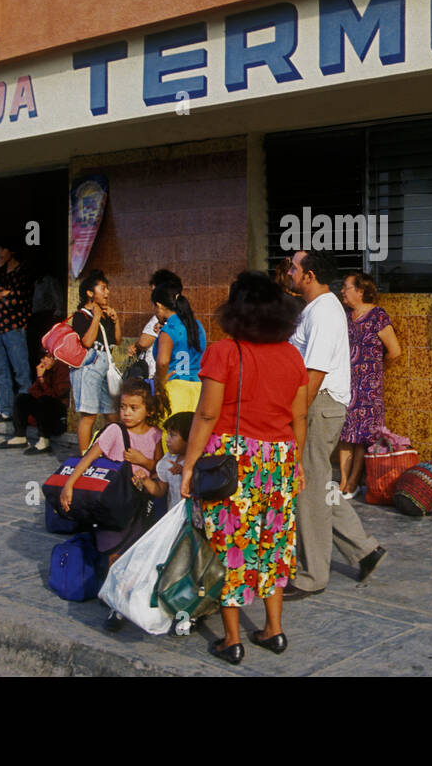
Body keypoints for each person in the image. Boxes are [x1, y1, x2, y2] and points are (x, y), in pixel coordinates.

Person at [179, 271, 308, 664]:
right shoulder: (292, 355)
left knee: (229, 546)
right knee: (273, 544)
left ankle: (232, 639)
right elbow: (299, 415)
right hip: (280, 459)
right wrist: (296, 464)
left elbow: (206, 415)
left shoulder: (224, 352)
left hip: (235, 463)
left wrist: (187, 467)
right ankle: (274, 630)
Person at [283, 251, 385, 599]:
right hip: (317, 404)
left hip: (319, 404)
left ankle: (312, 576)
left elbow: (315, 373)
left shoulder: (325, 311)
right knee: (318, 483)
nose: (289, 272)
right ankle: (364, 548)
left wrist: (294, 415)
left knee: (307, 488)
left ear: (309, 275)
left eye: (293, 267)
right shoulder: (316, 309)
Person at [60, 377, 162, 563]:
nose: (126, 413)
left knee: (134, 552)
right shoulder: (114, 430)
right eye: (123, 407)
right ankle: (109, 590)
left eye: (133, 408)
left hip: (138, 504)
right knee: (114, 554)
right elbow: (88, 459)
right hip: (113, 503)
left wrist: (144, 462)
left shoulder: (156, 434)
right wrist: (69, 485)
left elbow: (159, 469)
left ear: (150, 410)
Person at [337, 271, 401, 498]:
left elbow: (394, 351)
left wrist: (373, 367)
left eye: (346, 287)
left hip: (368, 387)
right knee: (346, 433)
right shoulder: (344, 316)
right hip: (344, 384)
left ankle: (353, 481)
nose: (343, 291)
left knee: (362, 436)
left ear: (360, 291)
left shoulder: (377, 316)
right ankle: (343, 480)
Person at [69, 270, 119, 453]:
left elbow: (117, 340)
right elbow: (87, 342)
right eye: (103, 288)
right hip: (89, 366)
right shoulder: (80, 316)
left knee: (112, 415)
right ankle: (85, 459)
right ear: (90, 293)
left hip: (105, 364)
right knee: (89, 415)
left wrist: (115, 320)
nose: (107, 293)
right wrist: (96, 317)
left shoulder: (106, 314)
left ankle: (110, 453)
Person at [0, 239, 34, 423]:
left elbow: (15, 300)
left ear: (12, 251)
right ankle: (5, 410)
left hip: (14, 328)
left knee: (21, 372)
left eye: (2, 248)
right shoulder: (0, 274)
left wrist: (3, 296)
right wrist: (2, 294)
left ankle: (24, 413)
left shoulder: (23, 272)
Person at [0, 354, 71, 455]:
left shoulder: (62, 369)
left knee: (44, 400)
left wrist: (41, 379)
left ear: (54, 358)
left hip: (58, 410)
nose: (43, 361)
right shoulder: (44, 370)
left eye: (47, 358)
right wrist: (40, 378)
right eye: (42, 358)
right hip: (44, 404)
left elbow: (57, 394)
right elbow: (32, 390)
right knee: (21, 398)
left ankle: (44, 441)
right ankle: (20, 436)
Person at [152, 283, 206, 417]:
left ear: (159, 305)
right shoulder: (197, 326)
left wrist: (158, 385)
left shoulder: (169, 330)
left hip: (174, 390)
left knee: (170, 435)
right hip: (198, 389)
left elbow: (163, 362)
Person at [127, 269, 181, 381]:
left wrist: (136, 345)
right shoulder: (183, 319)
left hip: (156, 376)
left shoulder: (161, 318)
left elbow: (144, 342)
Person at [146, 410, 192, 511]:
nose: (167, 439)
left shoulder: (199, 461)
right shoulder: (168, 461)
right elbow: (160, 490)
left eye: (172, 435)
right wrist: (145, 480)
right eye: (168, 434)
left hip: (192, 516)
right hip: (174, 516)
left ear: (190, 437)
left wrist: (183, 471)